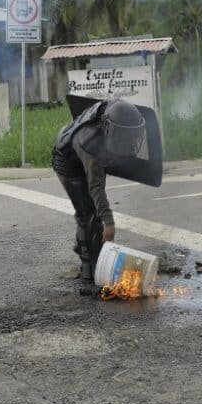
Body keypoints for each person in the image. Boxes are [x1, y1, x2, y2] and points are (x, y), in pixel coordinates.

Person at [51, 98, 146, 284]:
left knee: (89, 213)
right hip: (67, 163)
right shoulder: (91, 146)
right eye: (124, 137)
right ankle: (89, 270)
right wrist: (109, 223)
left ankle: (82, 246)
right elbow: (96, 188)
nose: (130, 141)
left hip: (78, 149)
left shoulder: (110, 112)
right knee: (89, 217)